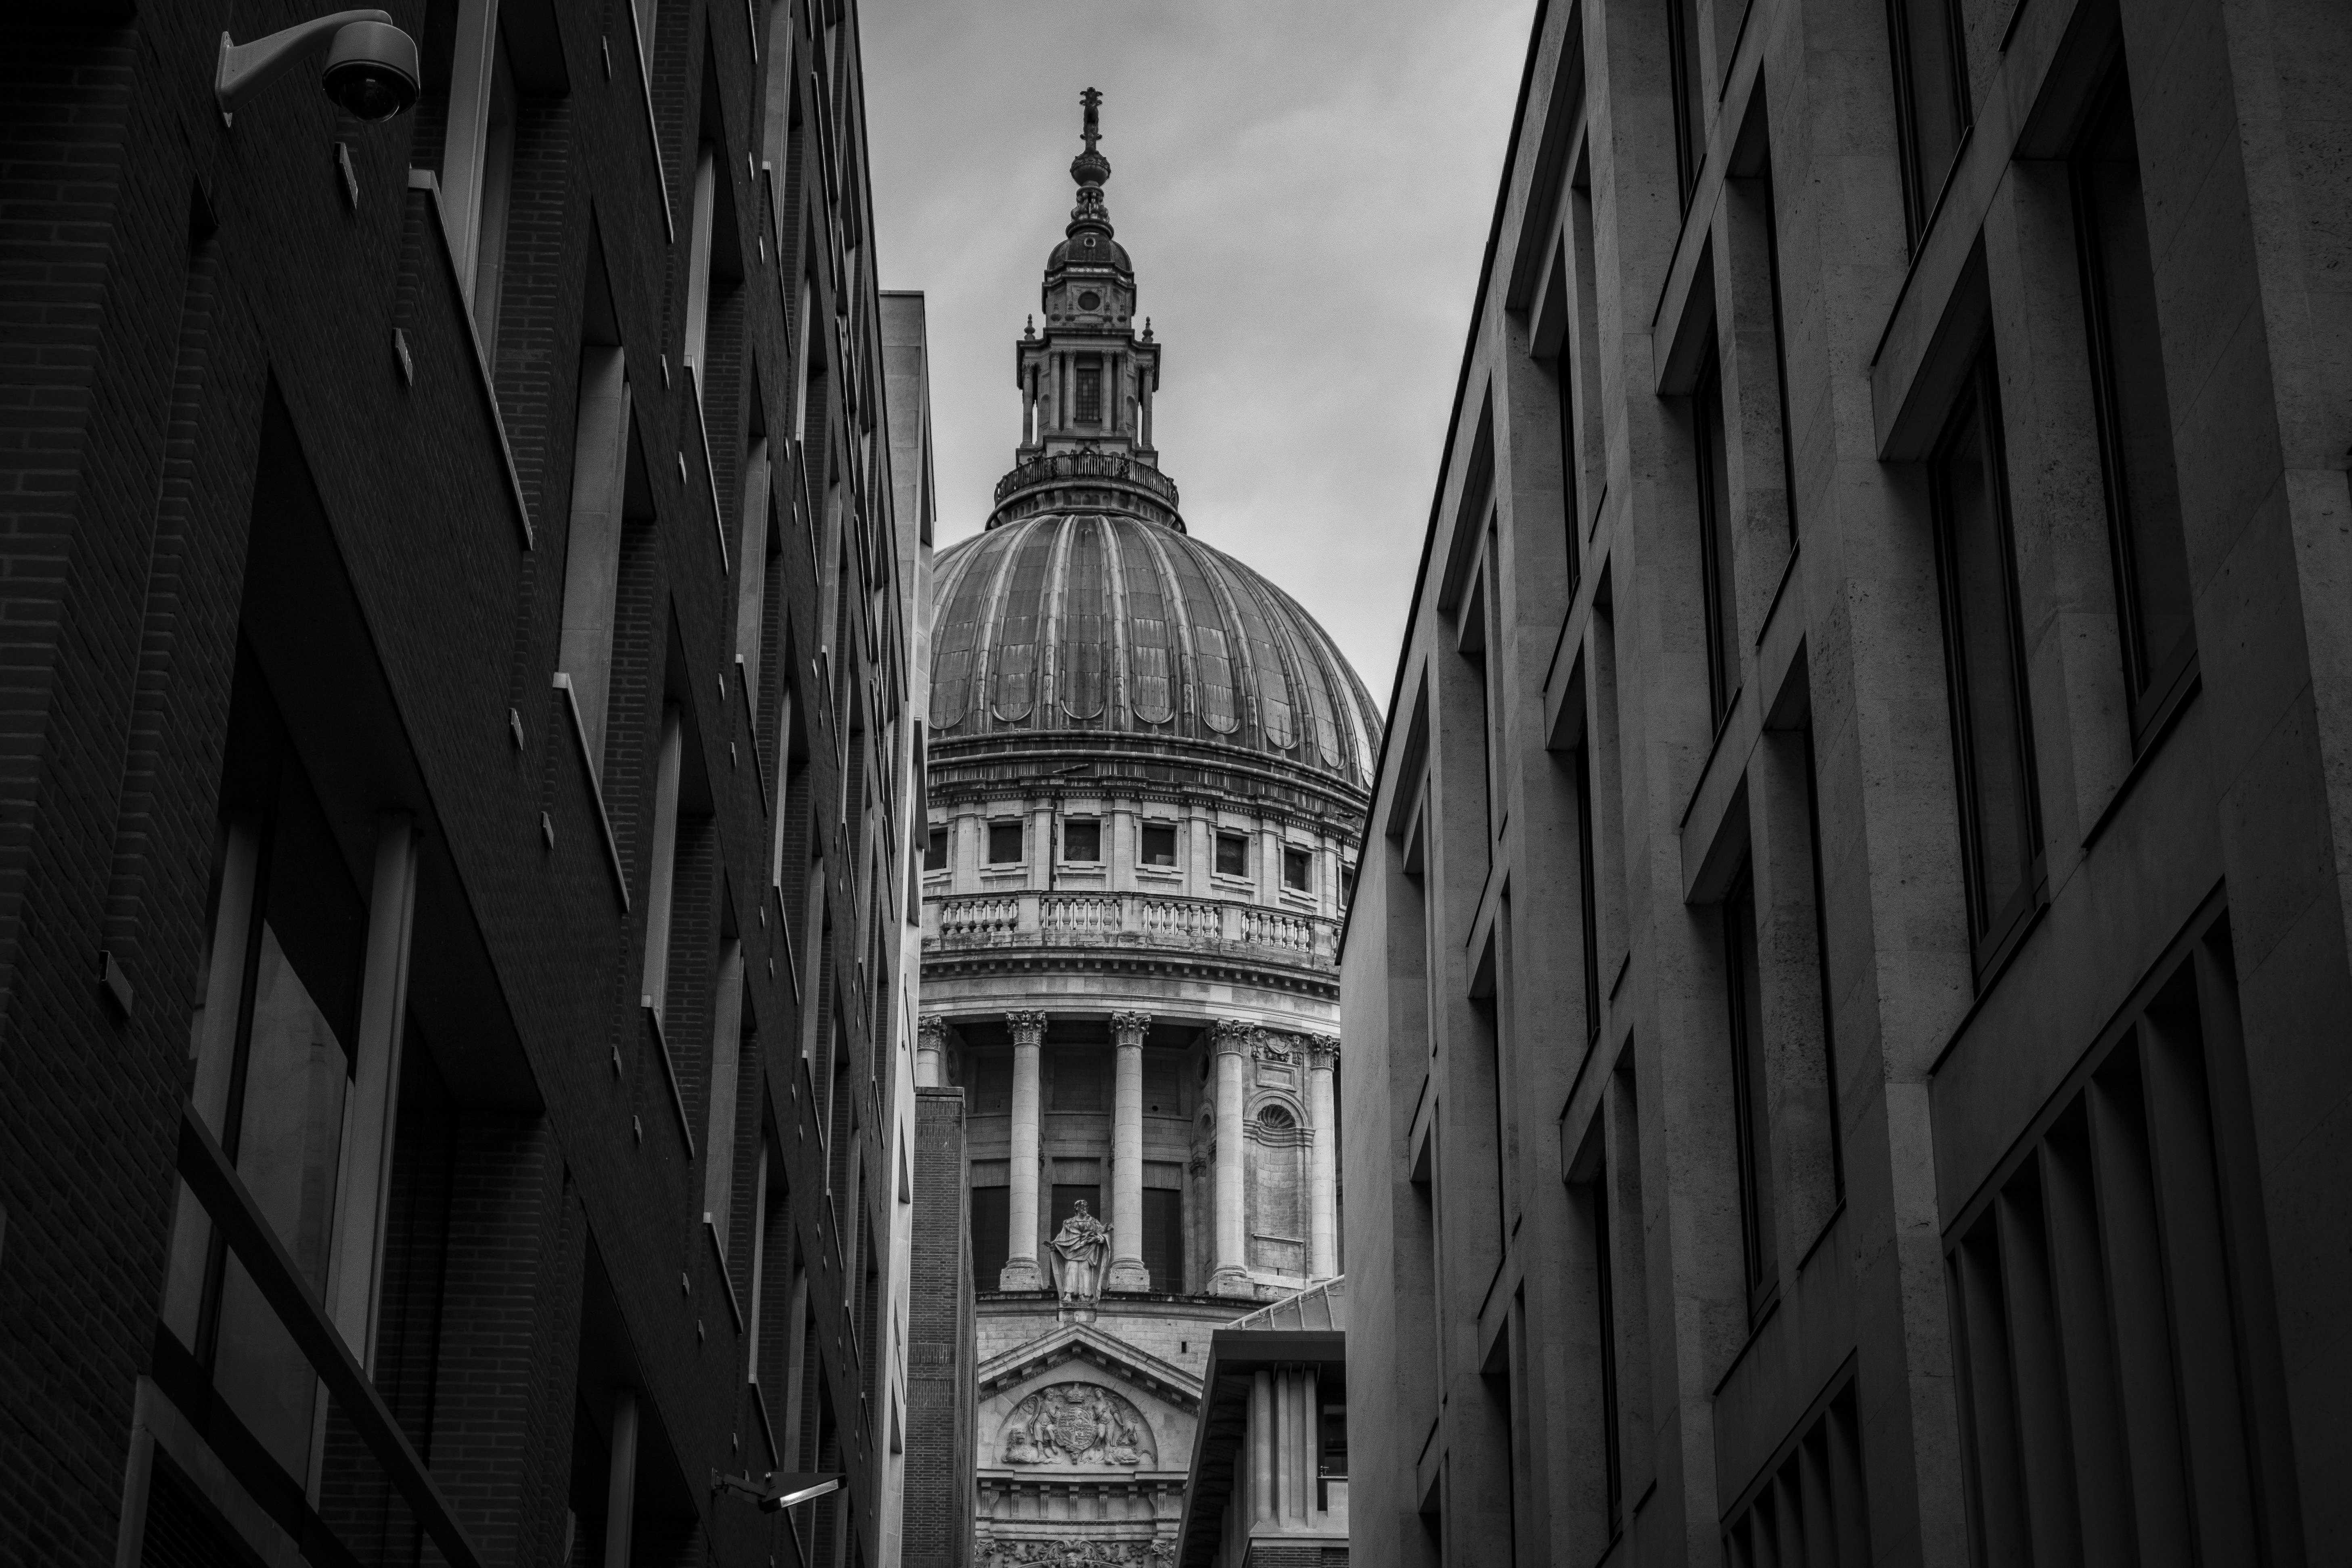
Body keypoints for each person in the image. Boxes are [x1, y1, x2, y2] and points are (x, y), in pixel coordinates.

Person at [1049, 1199, 1110, 1304]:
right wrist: (1055, 1246)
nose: (1085, 1209)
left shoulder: (1093, 1222)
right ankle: (1068, 1294)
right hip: (1072, 1252)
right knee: (1071, 1270)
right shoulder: (1069, 1223)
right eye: (1082, 1207)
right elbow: (1062, 1238)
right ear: (1077, 1209)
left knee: (1084, 1271)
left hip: (1087, 1251)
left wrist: (1098, 1239)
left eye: (1086, 1207)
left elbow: (1102, 1234)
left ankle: (1084, 1295)